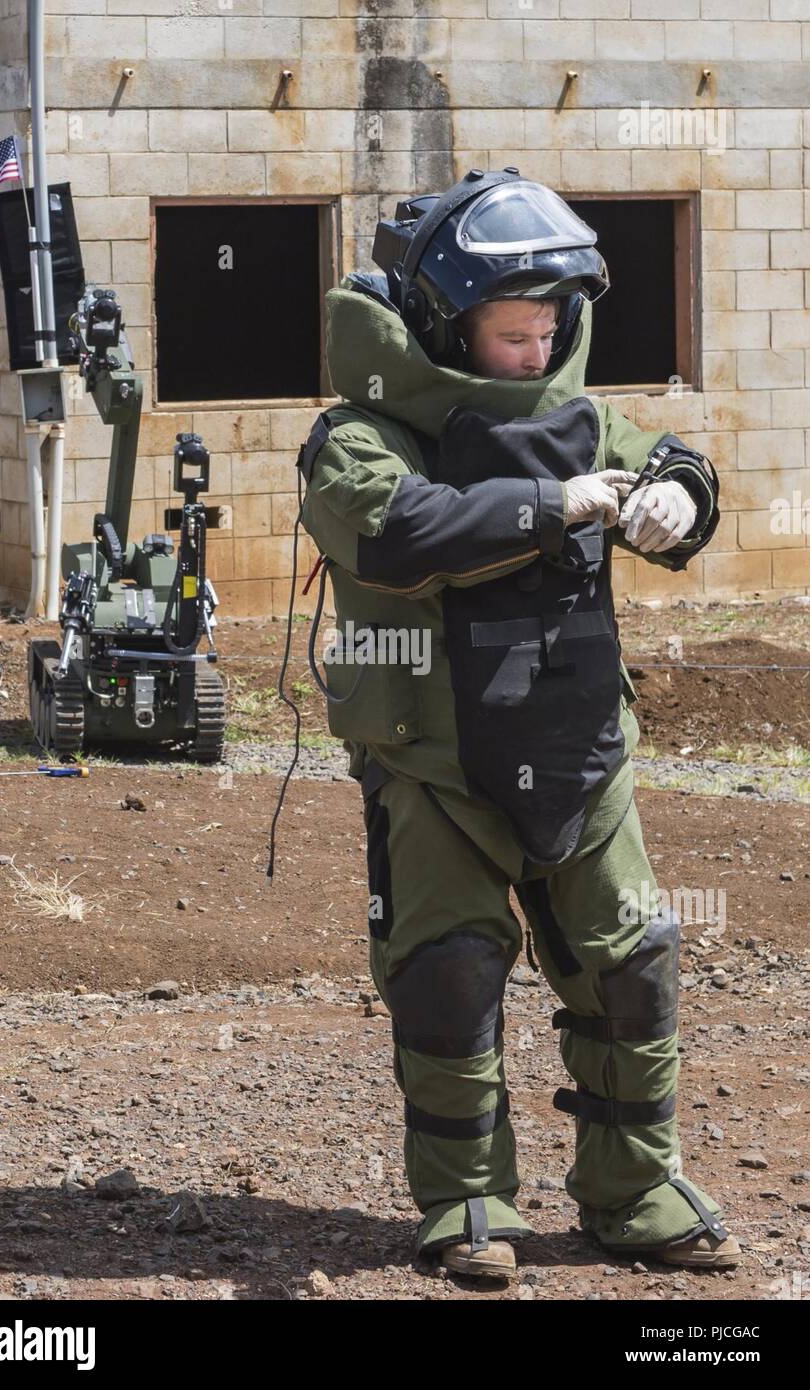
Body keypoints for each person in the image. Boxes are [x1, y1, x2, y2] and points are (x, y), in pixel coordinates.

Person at [295, 168, 737, 1281]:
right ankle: (465, 1205)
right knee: (447, 974)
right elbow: (403, 534)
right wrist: (559, 504)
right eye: (510, 333)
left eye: (548, 331)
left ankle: (633, 1192)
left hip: (580, 750)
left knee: (633, 964)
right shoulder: (357, 435)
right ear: (444, 321)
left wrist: (679, 496)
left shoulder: (581, 419)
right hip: (433, 763)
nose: (535, 354)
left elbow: (670, 459)